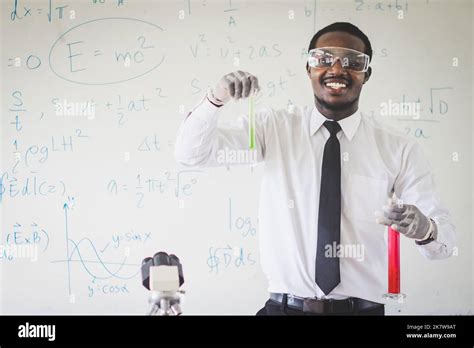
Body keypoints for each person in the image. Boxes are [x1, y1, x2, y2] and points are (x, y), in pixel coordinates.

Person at [174, 22, 456, 316]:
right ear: (309, 69)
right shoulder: (273, 129)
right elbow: (192, 155)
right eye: (323, 59)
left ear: (366, 74)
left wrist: (426, 229)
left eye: (351, 62)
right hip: (284, 310)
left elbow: (445, 244)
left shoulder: (398, 148)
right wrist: (215, 99)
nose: (336, 69)